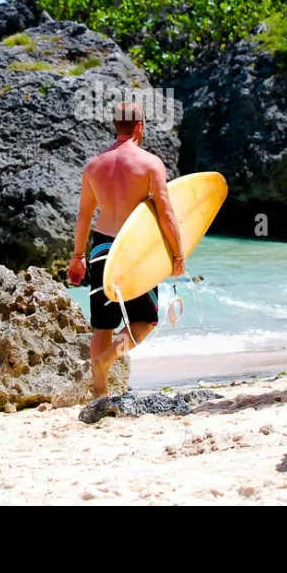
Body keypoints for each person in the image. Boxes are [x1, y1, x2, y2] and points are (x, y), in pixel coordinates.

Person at [67, 100, 185, 398]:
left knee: (103, 324)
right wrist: (177, 254)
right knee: (145, 320)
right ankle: (106, 360)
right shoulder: (150, 163)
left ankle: (99, 395)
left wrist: (78, 257)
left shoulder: (94, 165)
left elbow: (84, 214)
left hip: (102, 247)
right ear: (140, 126)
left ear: (115, 125)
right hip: (134, 248)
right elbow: (166, 213)